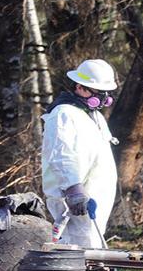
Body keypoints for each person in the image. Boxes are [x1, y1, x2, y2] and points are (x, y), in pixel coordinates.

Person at [41, 59, 119, 248]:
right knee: (79, 248)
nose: (104, 99)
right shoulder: (63, 114)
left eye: (106, 94)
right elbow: (61, 154)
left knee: (92, 244)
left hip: (95, 195)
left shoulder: (93, 115)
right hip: (75, 198)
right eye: (100, 93)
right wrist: (73, 189)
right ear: (81, 87)